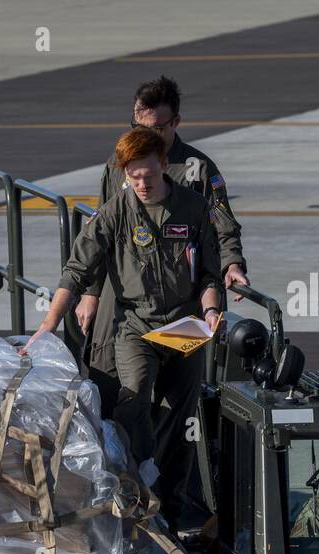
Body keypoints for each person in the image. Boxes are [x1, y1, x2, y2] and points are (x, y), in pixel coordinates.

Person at [23, 127, 221, 523]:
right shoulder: (116, 212)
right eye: (133, 177)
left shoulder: (194, 210)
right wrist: (46, 327)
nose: (141, 184)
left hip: (185, 327)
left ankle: (172, 506)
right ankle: (135, 484)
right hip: (137, 327)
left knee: (180, 418)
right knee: (133, 397)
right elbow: (76, 270)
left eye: (148, 175)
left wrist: (212, 311)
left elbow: (209, 276)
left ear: (164, 166)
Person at [75, 75, 248, 411]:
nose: (143, 137)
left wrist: (233, 264)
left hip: (180, 300)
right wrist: (91, 292)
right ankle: (125, 459)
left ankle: (164, 463)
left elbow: (222, 225)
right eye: (136, 126)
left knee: (176, 402)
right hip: (123, 292)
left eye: (154, 130)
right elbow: (100, 232)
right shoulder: (118, 164)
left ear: (176, 123)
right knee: (111, 380)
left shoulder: (197, 170)